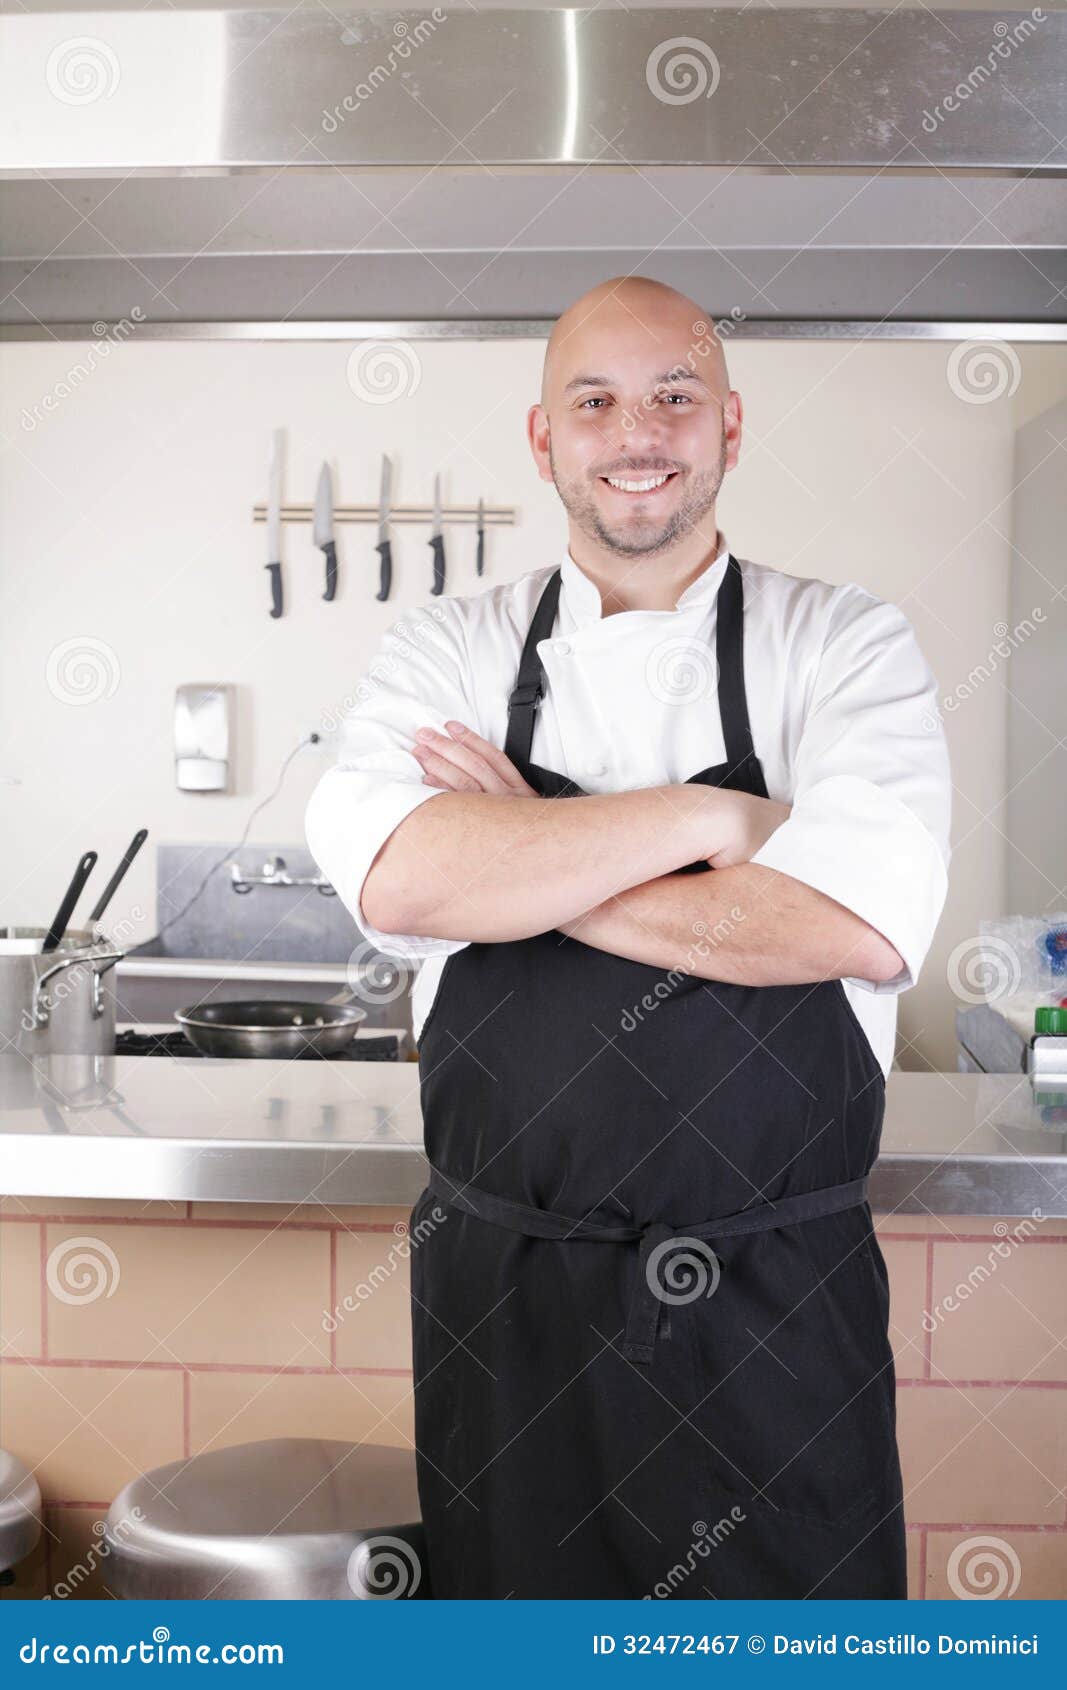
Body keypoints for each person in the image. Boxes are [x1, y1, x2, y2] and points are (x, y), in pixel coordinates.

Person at [305, 275, 952, 1599]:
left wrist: (535, 854)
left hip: (777, 1321)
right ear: (545, 438)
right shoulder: (449, 650)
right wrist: (719, 819)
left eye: (672, 396)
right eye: (593, 401)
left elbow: (848, 921)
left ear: (728, 421)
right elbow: (405, 877)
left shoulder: (842, 644)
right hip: (511, 1320)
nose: (635, 431)